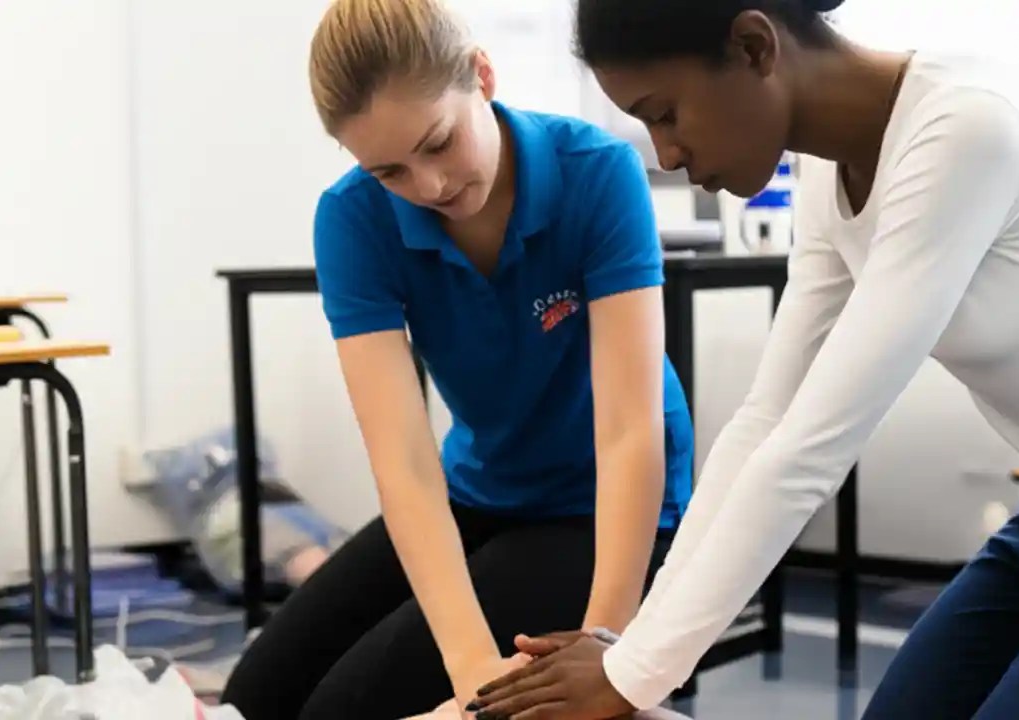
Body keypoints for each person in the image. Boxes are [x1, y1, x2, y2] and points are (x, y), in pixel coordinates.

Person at [471, 0, 1019, 718]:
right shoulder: (829, 176)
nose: (665, 155)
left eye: (666, 114)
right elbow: (766, 419)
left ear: (753, 46)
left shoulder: (969, 129)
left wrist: (633, 676)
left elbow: (811, 448)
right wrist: (633, 647)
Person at [218, 0, 696, 718]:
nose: (430, 187)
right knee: (254, 701)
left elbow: (630, 430)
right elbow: (404, 462)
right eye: (390, 171)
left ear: (482, 76)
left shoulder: (597, 172)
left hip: (601, 506)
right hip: (479, 492)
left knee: (342, 710)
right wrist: (468, 662)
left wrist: (606, 649)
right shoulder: (352, 217)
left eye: (439, 143)